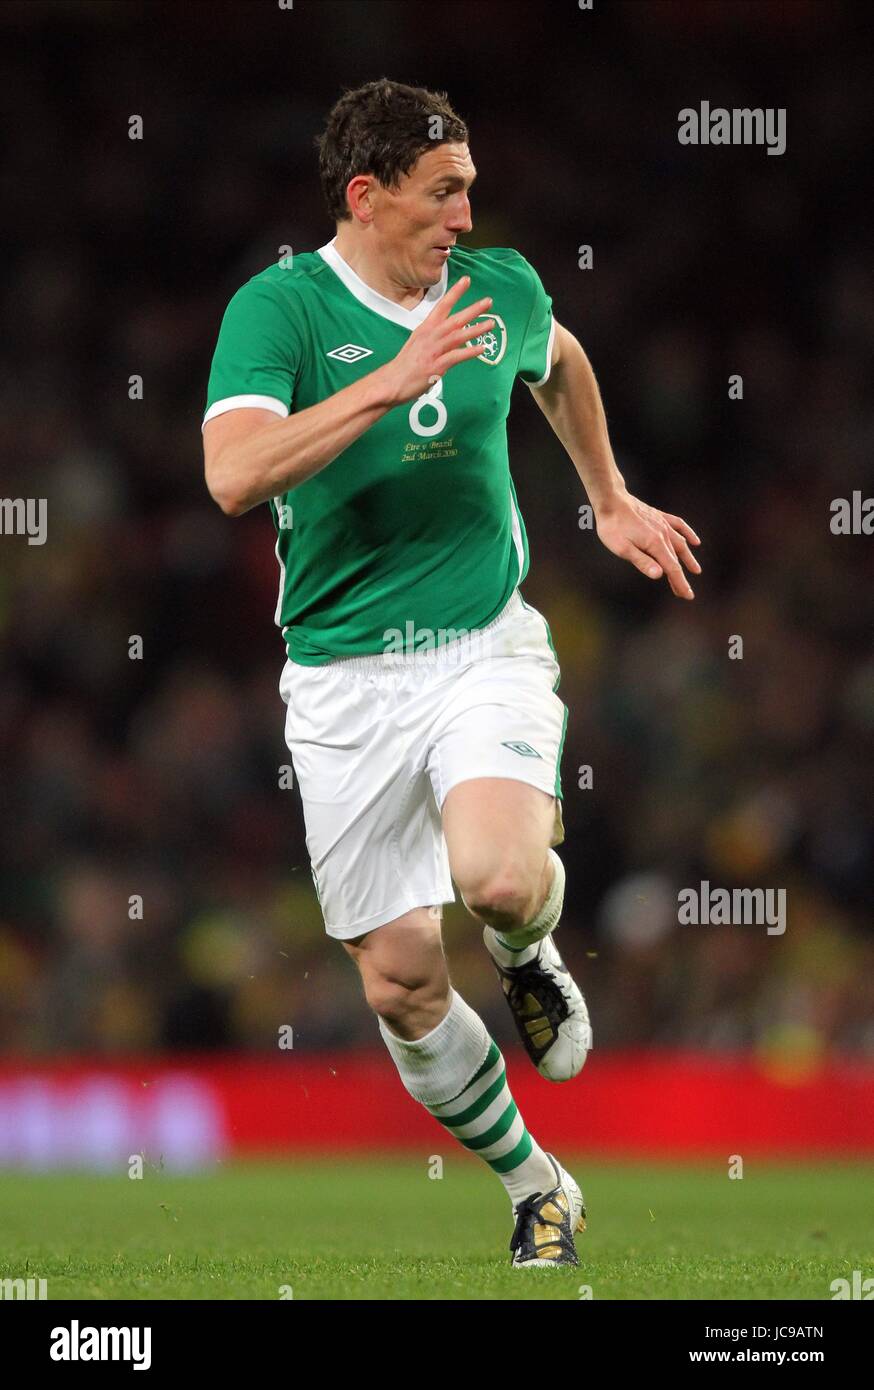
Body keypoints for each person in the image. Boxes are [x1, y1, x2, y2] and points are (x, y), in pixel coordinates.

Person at [201, 78, 701, 1268]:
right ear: (366, 197)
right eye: (442, 194)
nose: (465, 216)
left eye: (470, 188)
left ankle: (529, 953)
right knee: (399, 984)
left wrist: (609, 497)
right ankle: (539, 1186)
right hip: (341, 680)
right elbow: (233, 477)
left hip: (481, 645)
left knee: (494, 880)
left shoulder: (498, 286)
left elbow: (561, 359)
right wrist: (390, 376)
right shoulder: (279, 312)